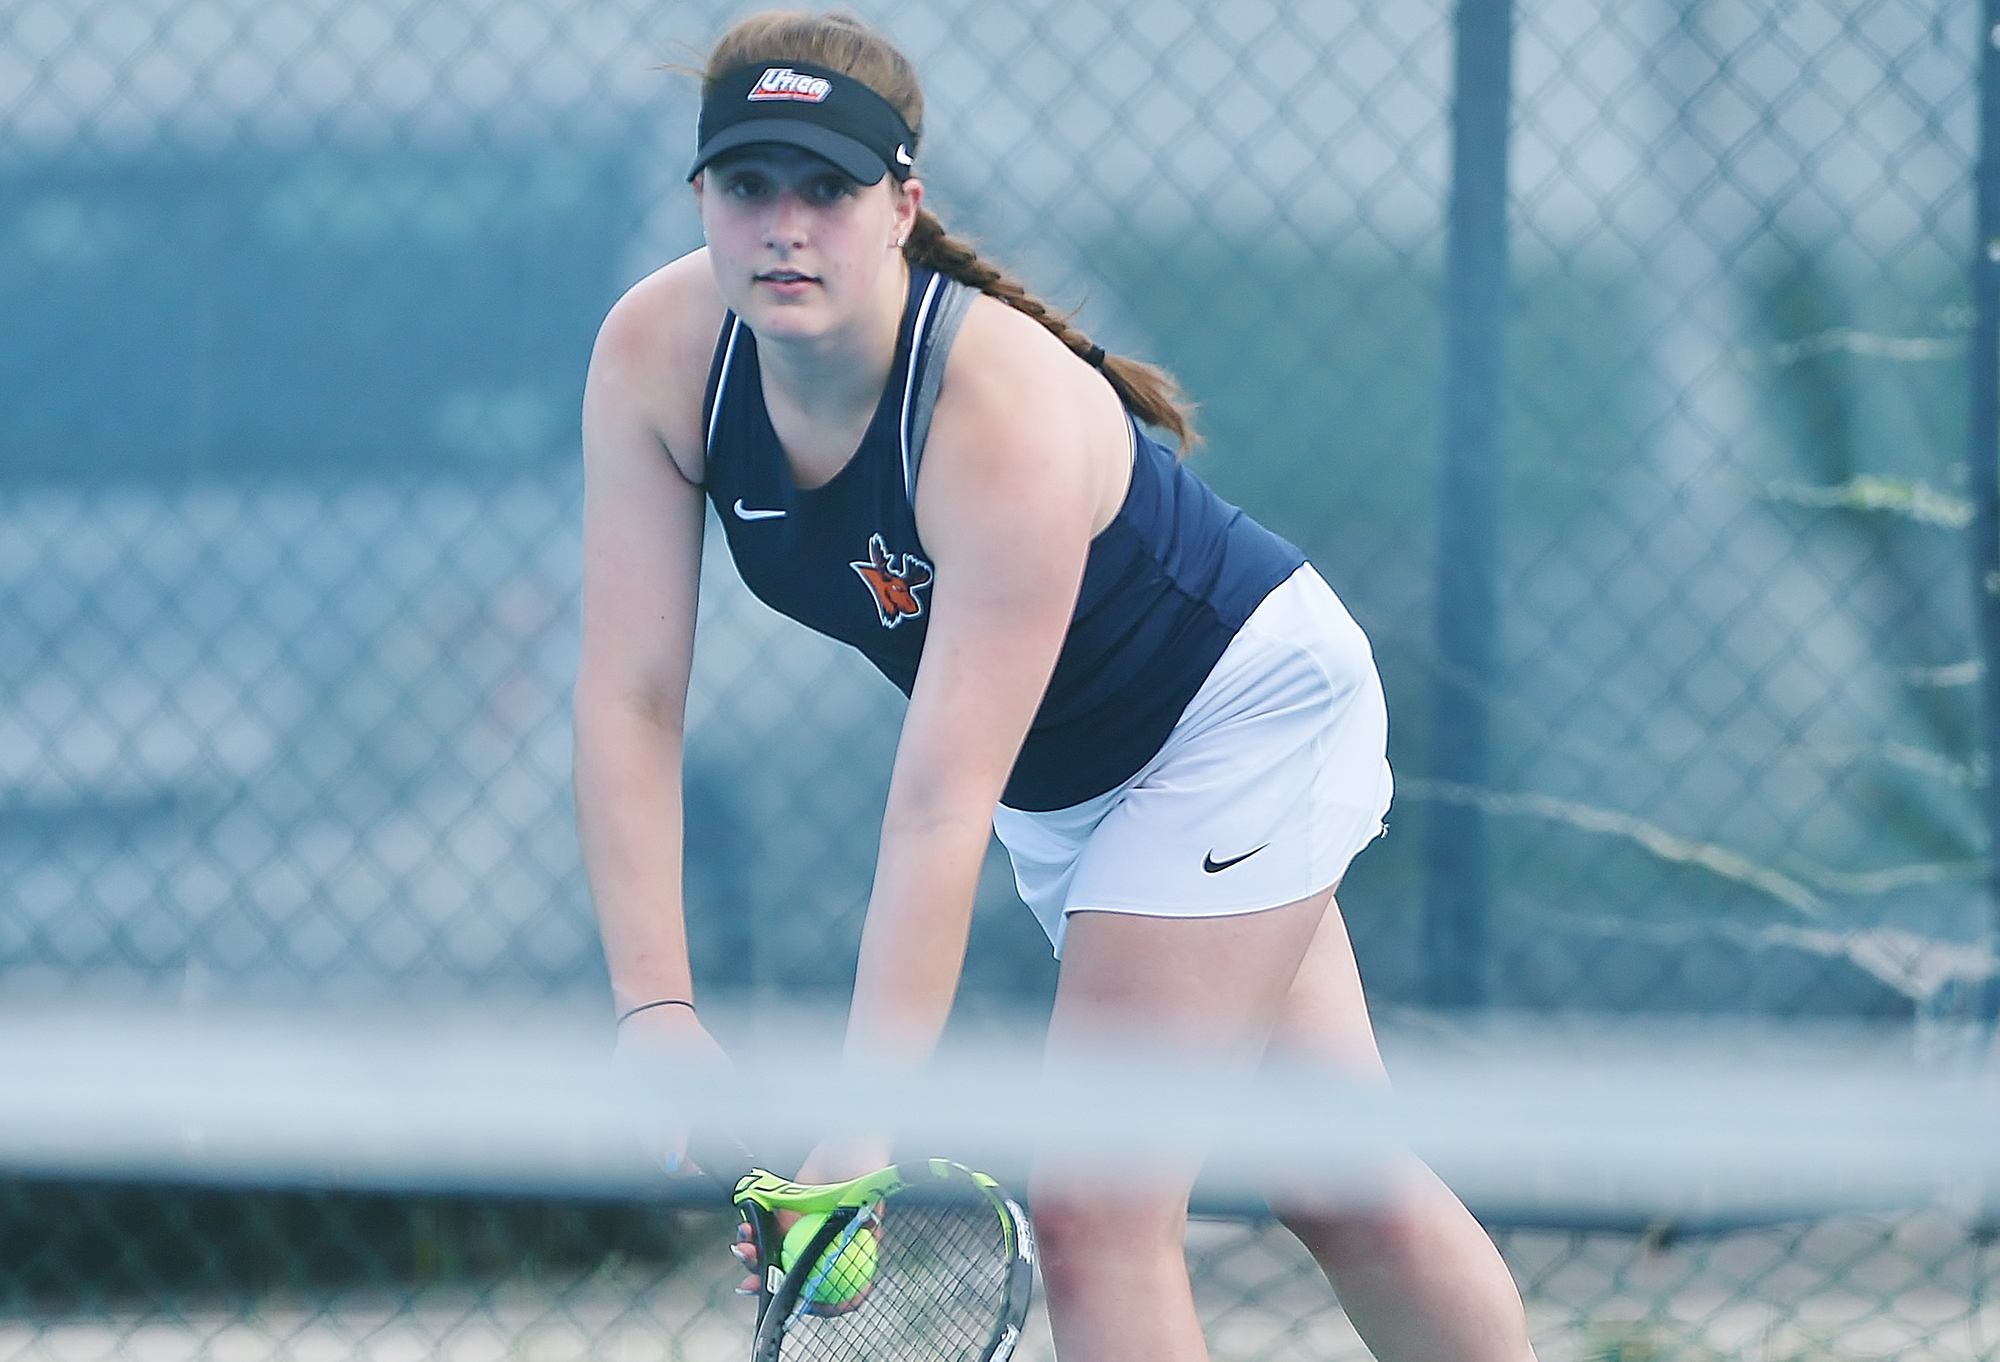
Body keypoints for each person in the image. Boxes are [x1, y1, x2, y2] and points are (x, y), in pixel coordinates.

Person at [572, 10, 1538, 1360]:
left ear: (901, 206)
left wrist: (860, 1130)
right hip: (1070, 772)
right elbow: (630, 701)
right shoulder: (656, 360)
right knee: (1337, 1173)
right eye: (749, 185)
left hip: (1234, 714)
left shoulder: (996, 412)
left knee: (1095, 1206)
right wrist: (656, 1012)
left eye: (827, 188)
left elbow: (936, 808)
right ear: (700, 200)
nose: (785, 224)